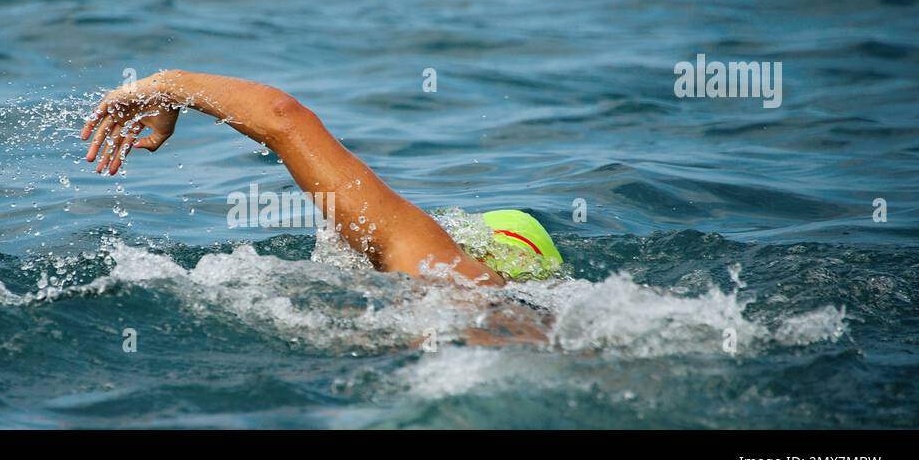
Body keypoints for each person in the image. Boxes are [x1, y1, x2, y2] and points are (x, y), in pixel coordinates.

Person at [81, 70, 563, 287]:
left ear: (482, 256)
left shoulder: (446, 270)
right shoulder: (516, 309)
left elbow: (283, 117)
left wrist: (168, 86)